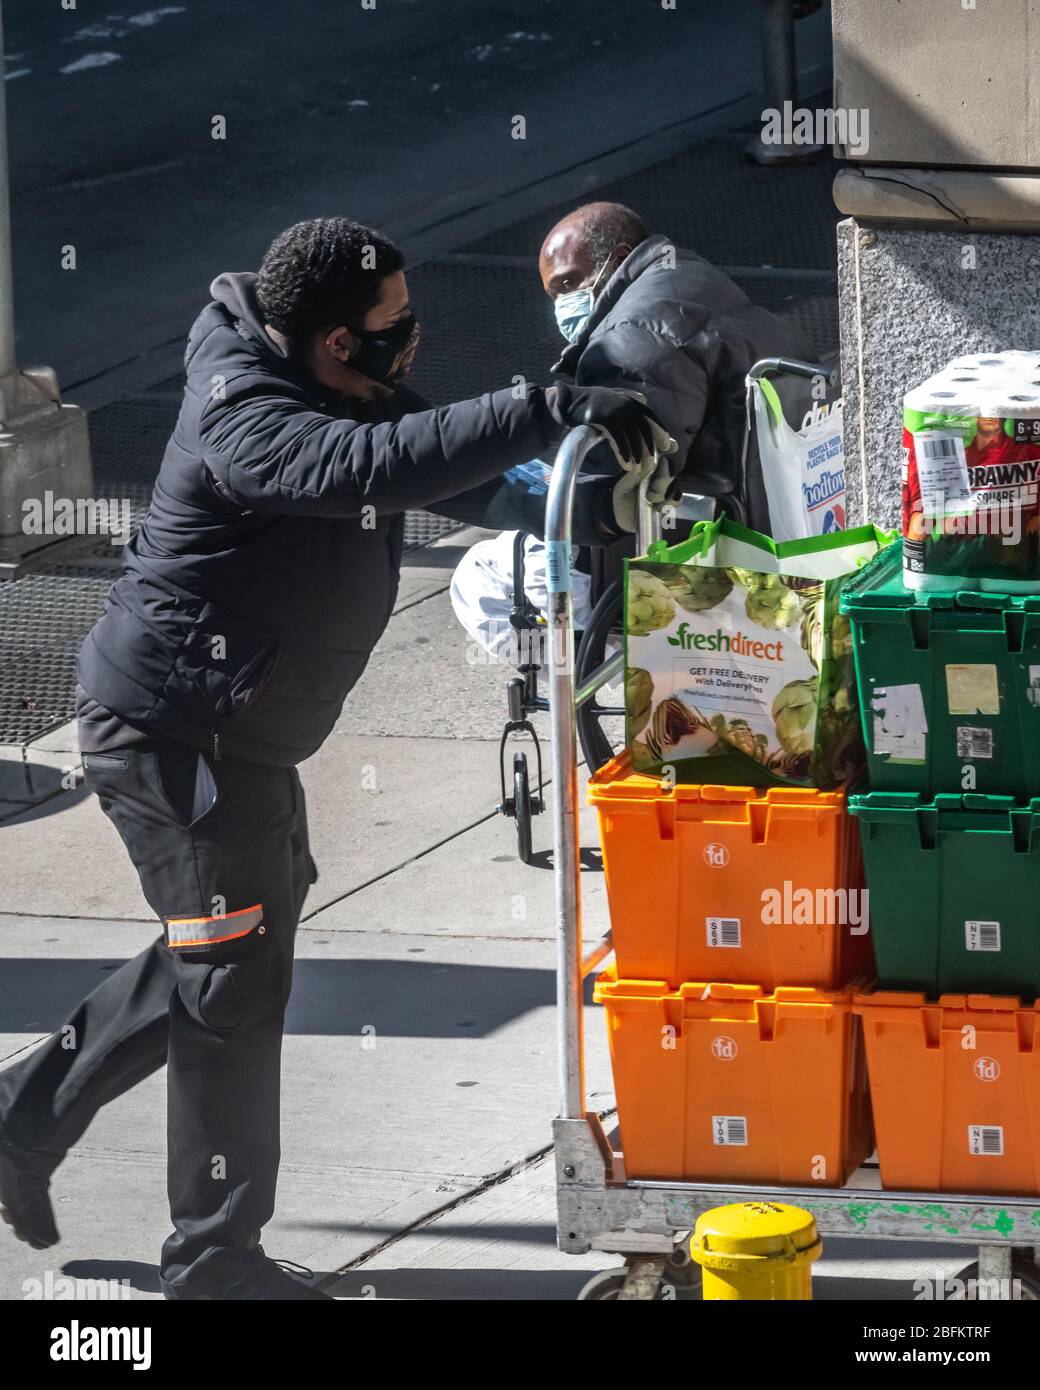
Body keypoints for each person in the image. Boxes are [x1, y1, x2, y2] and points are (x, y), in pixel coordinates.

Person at [0, 217, 670, 1301]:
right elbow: (367, 465)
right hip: (174, 735)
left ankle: (22, 1118)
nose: (412, 340)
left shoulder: (331, 386)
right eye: (392, 326)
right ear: (329, 341)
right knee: (230, 975)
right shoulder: (251, 419)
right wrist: (536, 406)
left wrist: (572, 482)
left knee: (228, 952)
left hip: (236, 737)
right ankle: (213, 1263)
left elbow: (434, 463)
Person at [450, 200, 814, 662]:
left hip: (679, 543)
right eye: (553, 293)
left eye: (567, 282)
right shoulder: (692, 281)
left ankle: (613, 680)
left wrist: (508, 493)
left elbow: (611, 490)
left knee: (481, 574)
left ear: (619, 258)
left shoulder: (632, 336)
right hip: (760, 522)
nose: (563, 303)